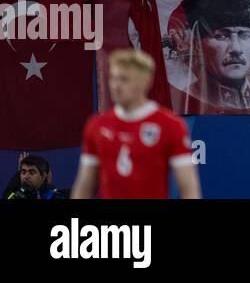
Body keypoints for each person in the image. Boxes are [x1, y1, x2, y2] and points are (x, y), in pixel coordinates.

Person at [70, 49, 201, 199]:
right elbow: (84, 186)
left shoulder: (170, 125)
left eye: (124, 79)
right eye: (113, 78)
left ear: (145, 82)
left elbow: (189, 188)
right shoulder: (97, 125)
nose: (116, 86)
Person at [3, 154, 68, 199]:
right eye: (23, 172)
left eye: (31, 173)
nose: (26, 176)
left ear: (43, 176)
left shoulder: (54, 196)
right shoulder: (15, 195)